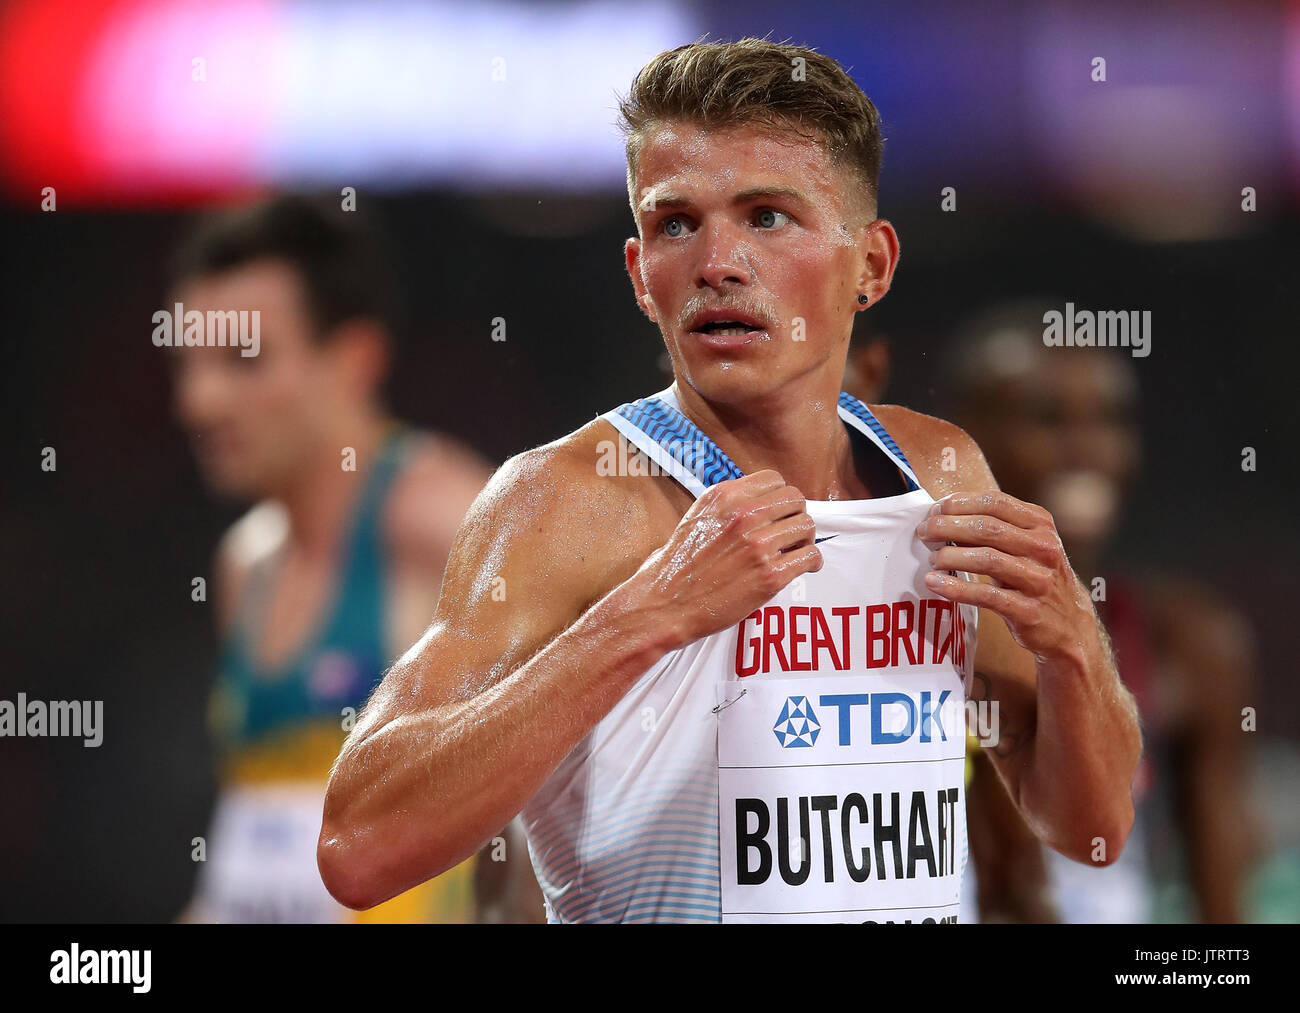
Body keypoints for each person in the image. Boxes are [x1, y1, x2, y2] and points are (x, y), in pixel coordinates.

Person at [317, 39, 1142, 924]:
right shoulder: (567, 499)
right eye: (676, 223)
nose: (717, 262)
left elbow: (1086, 828)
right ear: (640, 276)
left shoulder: (940, 473)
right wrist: (647, 616)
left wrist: (1072, 647)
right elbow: (359, 849)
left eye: (766, 216)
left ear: (871, 264)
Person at [164, 195, 536, 922]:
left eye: (243, 358)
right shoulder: (246, 564)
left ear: (354, 359)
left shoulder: (455, 527)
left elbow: (579, 797)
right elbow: (256, 862)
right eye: (188, 361)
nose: (200, 400)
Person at [941, 301, 1258, 923]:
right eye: (1046, 419)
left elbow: (1220, 899)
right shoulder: (909, 625)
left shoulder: (1188, 640)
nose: (1086, 449)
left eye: (1109, 420)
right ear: (962, 435)